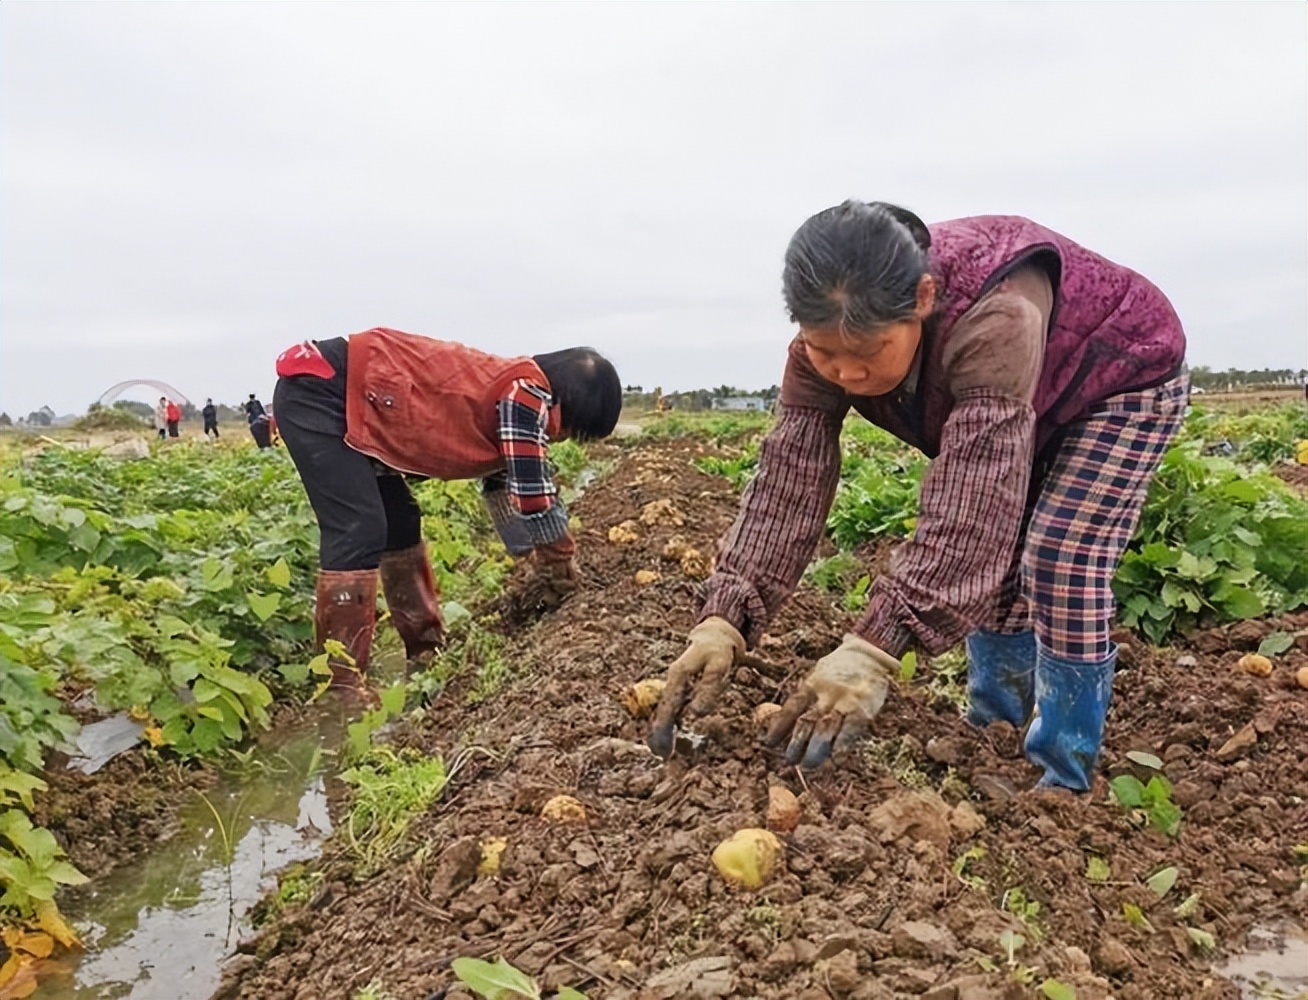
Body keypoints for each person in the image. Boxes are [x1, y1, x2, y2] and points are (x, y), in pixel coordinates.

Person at [650, 203, 1187, 793]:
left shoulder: (995, 315)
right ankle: (996, 732)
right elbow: (788, 481)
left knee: (1060, 558)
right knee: (1002, 565)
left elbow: (971, 508)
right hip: (1019, 394)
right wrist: (726, 616)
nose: (847, 373)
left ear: (923, 299)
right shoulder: (814, 355)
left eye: (869, 351)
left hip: (1117, 380)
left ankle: (1062, 770)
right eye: (825, 352)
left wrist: (874, 648)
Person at [273, 328, 622, 695]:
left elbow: (503, 488)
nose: (557, 439)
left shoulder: (509, 395)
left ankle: (425, 652)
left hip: (362, 403)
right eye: (568, 431)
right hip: (321, 392)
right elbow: (534, 493)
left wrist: (528, 559)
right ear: (564, 403)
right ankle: (340, 687)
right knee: (359, 528)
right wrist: (558, 563)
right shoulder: (526, 395)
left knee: (401, 521)